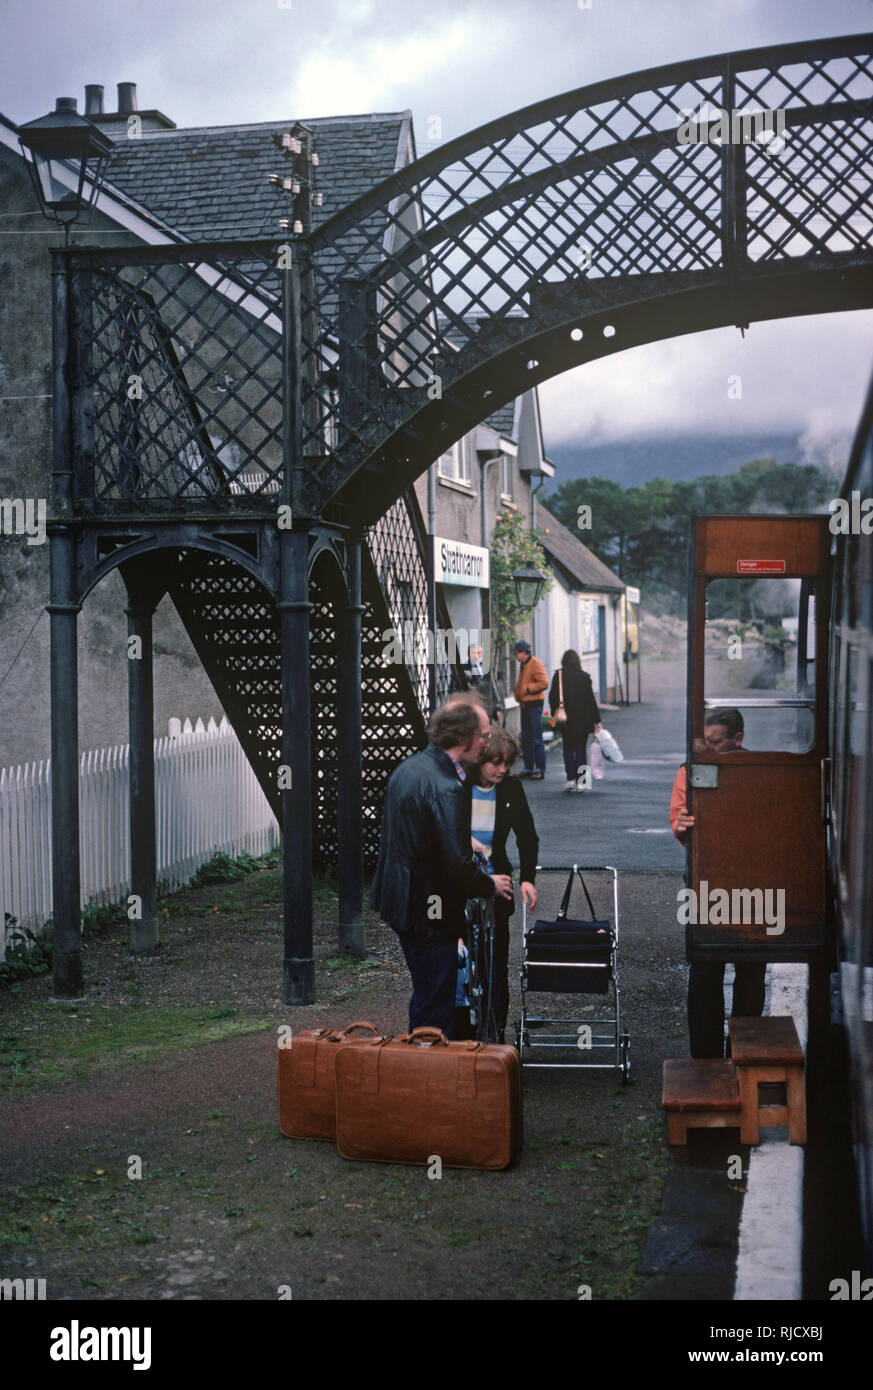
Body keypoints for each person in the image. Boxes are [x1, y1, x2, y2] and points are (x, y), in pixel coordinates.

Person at [369, 698, 513, 1038]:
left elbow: (421, 831)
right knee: (436, 999)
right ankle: (427, 1077)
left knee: (427, 991)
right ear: (464, 738)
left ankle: (424, 1069)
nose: (486, 743)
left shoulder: (412, 767)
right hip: (429, 908)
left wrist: (463, 839)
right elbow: (457, 869)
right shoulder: (447, 787)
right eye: (483, 736)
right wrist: (489, 884)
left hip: (402, 897)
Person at [670, 707, 766, 1058]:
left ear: (738, 740)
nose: (707, 749)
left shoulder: (759, 772)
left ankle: (744, 1053)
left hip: (752, 881)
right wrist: (681, 826)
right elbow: (677, 822)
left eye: (716, 742)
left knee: (752, 969)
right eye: (703, 743)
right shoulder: (689, 771)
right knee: (705, 967)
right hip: (706, 878)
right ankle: (706, 1059)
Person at [468, 727, 539, 1042]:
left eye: (507, 763)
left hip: (498, 883)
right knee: (463, 962)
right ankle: (464, 1033)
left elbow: (527, 836)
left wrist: (527, 879)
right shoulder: (459, 787)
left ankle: (495, 1035)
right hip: (460, 884)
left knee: (495, 965)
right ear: (480, 759)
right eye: (496, 762)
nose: (502, 770)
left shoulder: (510, 788)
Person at [548, 649, 603, 791]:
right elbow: (591, 701)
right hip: (583, 720)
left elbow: (552, 697)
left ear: (563, 661)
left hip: (565, 720)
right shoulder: (584, 677)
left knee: (568, 749)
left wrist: (556, 712)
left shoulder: (558, 675)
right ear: (577, 661)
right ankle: (582, 782)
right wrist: (597, 720)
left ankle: (570, 780)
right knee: (580, 749)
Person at [513, 640, 549, 780]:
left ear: (524, 652)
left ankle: (540, 769)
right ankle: (528, 768)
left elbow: (544, 683)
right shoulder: (523, 665)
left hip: (534, 705)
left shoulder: (536, 664)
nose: (516, 656)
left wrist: (527, 689)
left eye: (517, 653)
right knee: (527, 738)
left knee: (536, 738)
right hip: (525, 705)